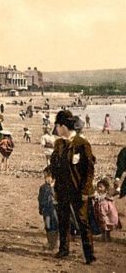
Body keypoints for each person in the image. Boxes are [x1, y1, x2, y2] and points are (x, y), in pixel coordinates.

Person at [50, 110, 95, 264]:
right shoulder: (59, 144)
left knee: (83, 221)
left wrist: (84, 191)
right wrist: (52, 177)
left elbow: (89, 170)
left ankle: (89, 255)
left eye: (57, 125)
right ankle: (63, 250)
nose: (55, 129)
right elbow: (54, 165)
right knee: (63, 219)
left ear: (63, 126)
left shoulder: (82, 144)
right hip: (62, 189)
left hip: (78, 190)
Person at [38, 168, 59, 251]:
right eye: (45, 176)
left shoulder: (57, 187)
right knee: (48, 225)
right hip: (46, 211)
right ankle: (50, 242)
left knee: (54, 225)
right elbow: (40, 199)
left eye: (47, 176)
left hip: (54, 210)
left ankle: (54, 244)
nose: (46, 178)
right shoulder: (43, 187)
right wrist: (41, 209)